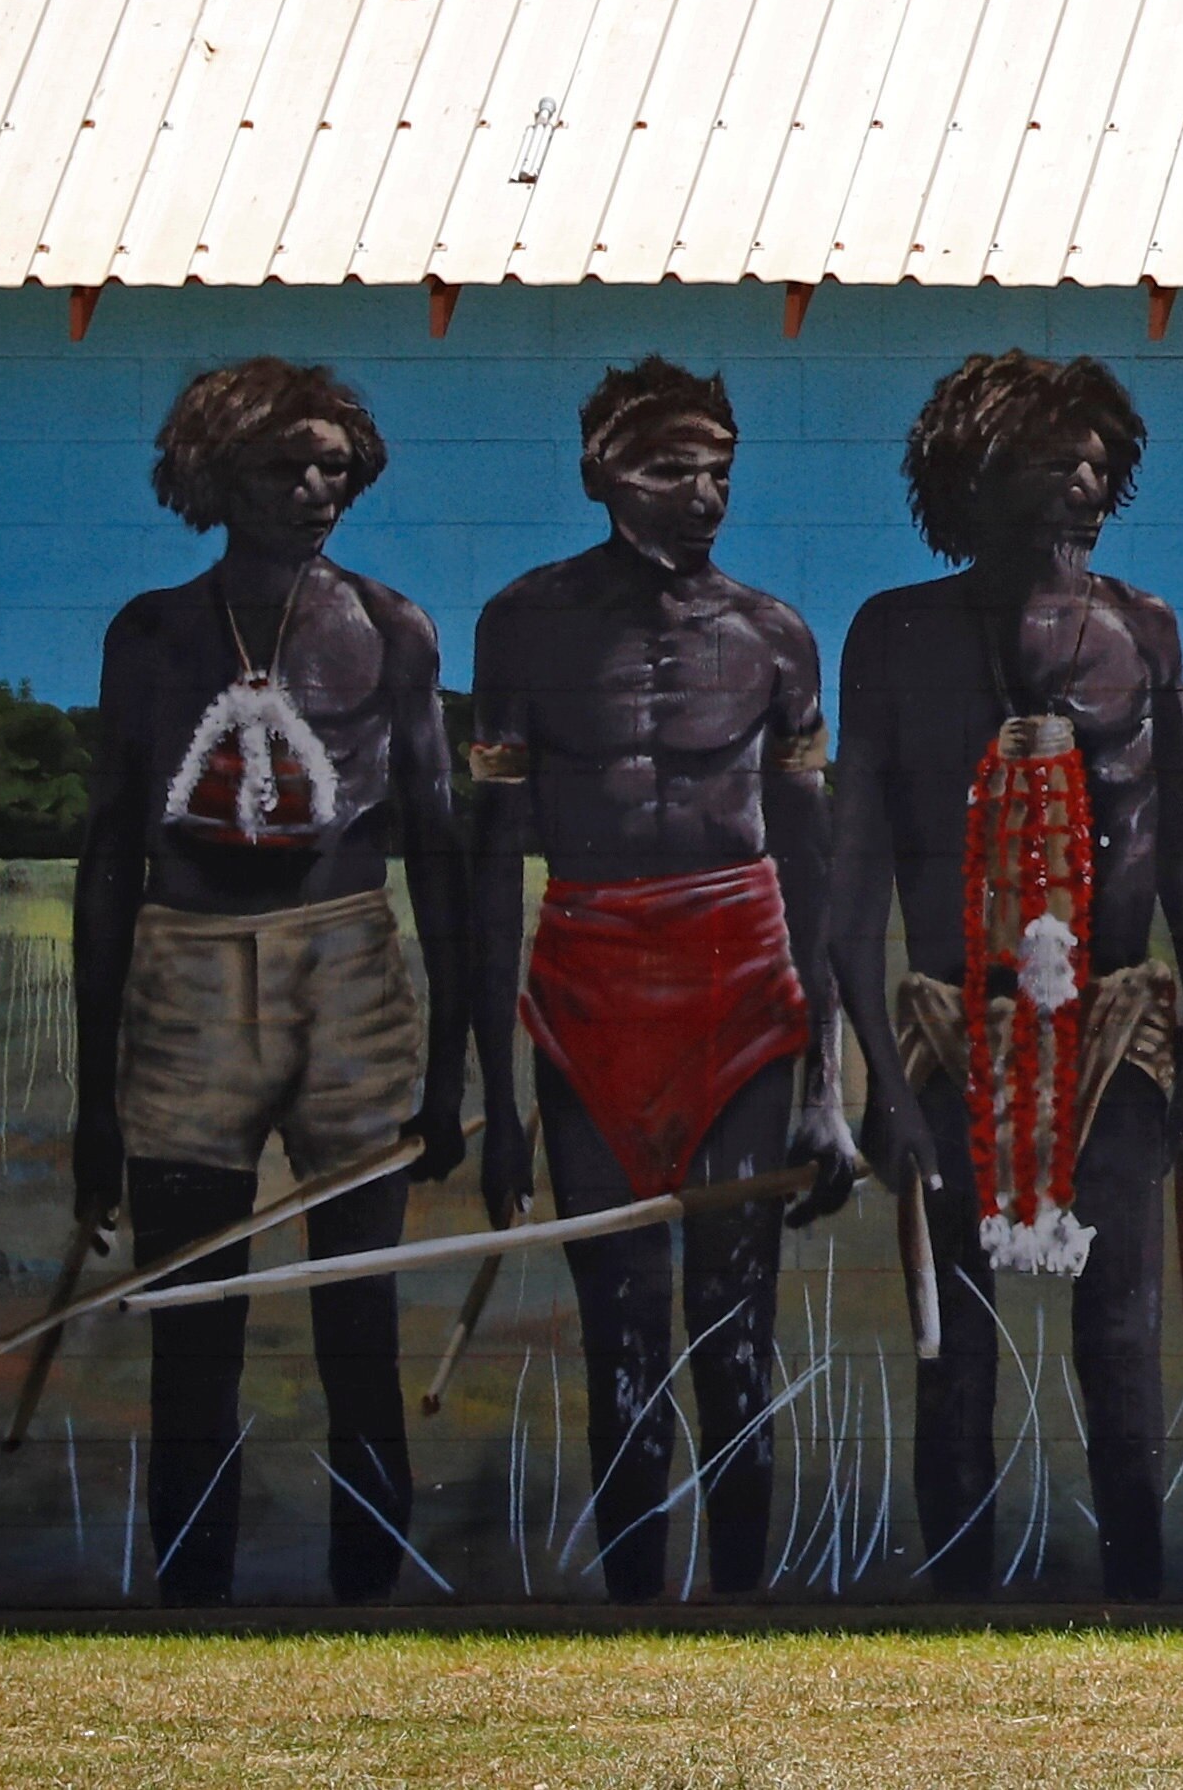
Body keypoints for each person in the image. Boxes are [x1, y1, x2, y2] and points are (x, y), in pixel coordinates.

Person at [831, 349, 1183, 1601]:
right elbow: (851, 874)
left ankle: (1137, 1598)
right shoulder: (894, 636)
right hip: (952, 1024)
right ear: (976, 474)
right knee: (954, 1346)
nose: (1087, 477)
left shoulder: (1146, 628)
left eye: (1099, 455)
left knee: (1117, 1335)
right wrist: (877, 1080)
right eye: (1055, 457)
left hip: (1111, 1019)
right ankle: (956, 1605)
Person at [74, 357, 469, 1606]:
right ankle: (193, 1608)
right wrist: (96, 1099)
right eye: (282, 467)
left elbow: (443, 852)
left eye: (332, 470)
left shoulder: (391, 627)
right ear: (213, 471)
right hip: (185, 975)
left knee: (358, 1304)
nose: (313, 491)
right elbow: (108, 854)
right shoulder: (151, 634)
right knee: (194, 1316)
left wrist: (449, 1071)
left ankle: (370, 1601)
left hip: (348, 968)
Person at [470, 357, 859, 1603]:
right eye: (668, 469)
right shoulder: (521, 623)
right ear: (599, 473)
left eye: (718, 472)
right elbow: (487, 856)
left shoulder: (772, 636)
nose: (702, 495)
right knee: (620, 1331)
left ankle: (738, 1615)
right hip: (585, 979)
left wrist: (826, 1080)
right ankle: (637, 1615)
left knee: (733, 1329)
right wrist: (493, 1082)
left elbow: (815, 866)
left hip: (742, 983)